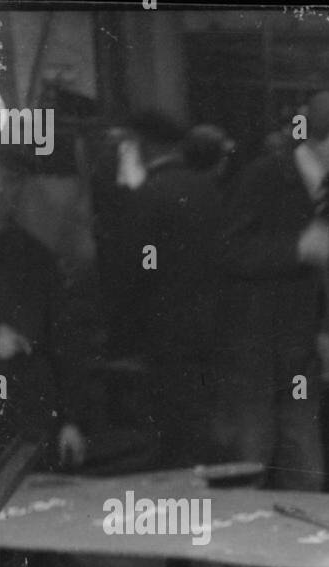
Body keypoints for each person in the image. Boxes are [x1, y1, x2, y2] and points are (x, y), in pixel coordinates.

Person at [215, 90, 329, 492]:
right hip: (253, 359)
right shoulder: (263, 178)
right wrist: (295, 249)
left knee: (307, 473)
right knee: (248, 470)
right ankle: (239, 555)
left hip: (300, 356)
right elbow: (226, 253)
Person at [0, 148, 87, 567]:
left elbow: (66, 342)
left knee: (33, 540)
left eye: (12, 184)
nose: (2, 192)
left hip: (29, 417)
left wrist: (70, 418)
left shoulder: (34, 256)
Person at [111, 110, 226, 469]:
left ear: (142, 147)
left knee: (173, 436)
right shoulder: (208, 190)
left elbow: (139, 267)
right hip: (213, 331)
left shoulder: (149, 196)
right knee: (203, 429)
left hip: (167, 336)